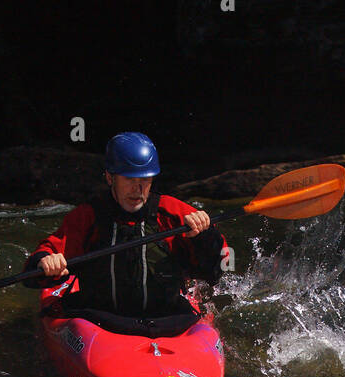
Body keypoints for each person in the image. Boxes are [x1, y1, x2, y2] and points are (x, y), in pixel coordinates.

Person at [23, 132, 226, 326]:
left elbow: (216, 269)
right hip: (99, 321)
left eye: (144, 180)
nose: (137, 190)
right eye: (129, 179)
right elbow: (39, 265)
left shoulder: (173, 212)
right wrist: (46, 262)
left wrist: (205, 236)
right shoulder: (88, 217)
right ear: (110, 178)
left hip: (167, 319)